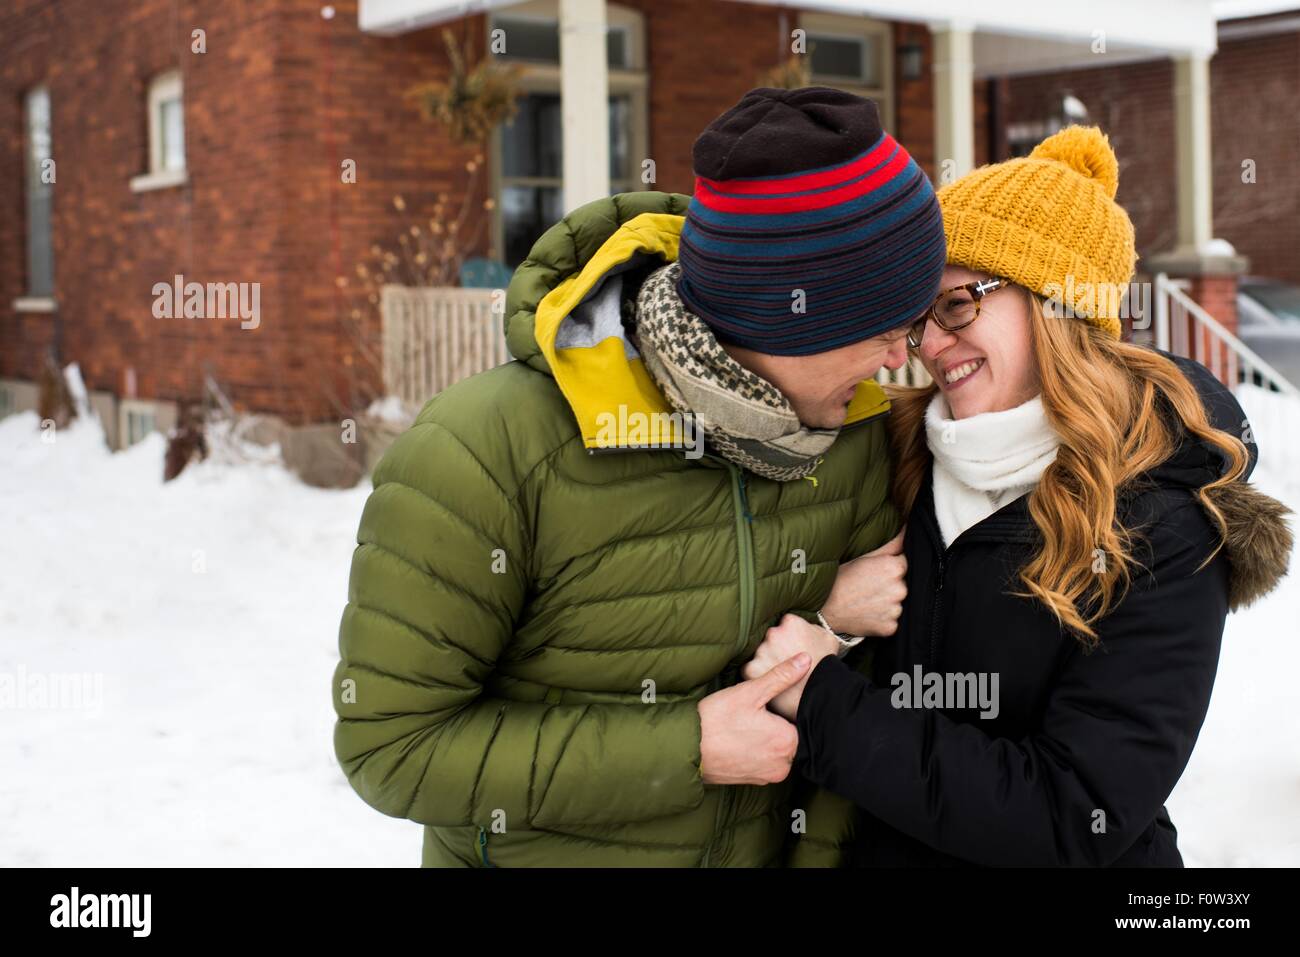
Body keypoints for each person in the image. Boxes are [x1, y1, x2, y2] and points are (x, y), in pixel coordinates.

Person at [331, 87, 946, 866]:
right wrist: (686, 747)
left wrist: (826, 624)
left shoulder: (849, 432)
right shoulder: (483, 452)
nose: (902, 359)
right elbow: (393, 744)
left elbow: (842, 739)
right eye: (884, 329)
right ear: (788, 318)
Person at [749, 125, 1294, 866]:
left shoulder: (1160, 518)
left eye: (959, 304)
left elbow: (1071, 811)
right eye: (920, 317)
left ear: (1057, 309)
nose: (933, 345)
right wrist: (832, 618)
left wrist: (825, 706)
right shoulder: (896, 456)